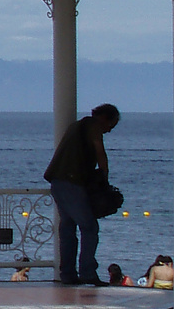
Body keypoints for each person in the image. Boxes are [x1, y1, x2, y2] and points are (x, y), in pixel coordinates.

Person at [43, 102, 121, 286]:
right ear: (104, 118)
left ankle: (68, 274)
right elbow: (100, 152)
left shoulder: (76, 126)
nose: (109, 131)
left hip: (58, 181)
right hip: (71, 183)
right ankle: (87, 272)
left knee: (68, 228)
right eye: (111, 125)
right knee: (89, 227)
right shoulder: (92, 126)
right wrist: (104, 177)